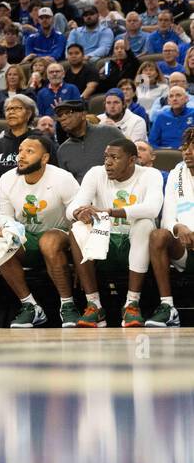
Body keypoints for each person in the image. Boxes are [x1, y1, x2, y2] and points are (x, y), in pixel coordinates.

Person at [66, 138, 163, 328]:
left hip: (135, 242)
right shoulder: (95, 173)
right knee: (76, 228)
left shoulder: (150, 175)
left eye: (114, 157)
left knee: (144, 224)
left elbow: (152, 209)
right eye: (106, 157)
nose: (107, 162)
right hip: (105, 242)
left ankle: (131, 304)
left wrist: (109, 211)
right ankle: (94, 305)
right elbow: (71, 209)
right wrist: (80, 212)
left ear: (131, 160)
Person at [0, 134, 78, 327]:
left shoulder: (63, 178)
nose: (21, 156)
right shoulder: (6, 179)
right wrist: (8, 230)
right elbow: (5, 215)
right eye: (20, 151)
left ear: (45, 158)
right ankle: (30, 306)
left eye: (29, 151)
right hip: (26, 235)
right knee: (1, 245)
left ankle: (68, 305)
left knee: (48, 241)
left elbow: (77, 215)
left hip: (60, 234)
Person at [148, 125, 194, 327]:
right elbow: (167, 219)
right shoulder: (177, 173)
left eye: (193, 147)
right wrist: (179, 228)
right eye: (185, 146)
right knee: (158, 235)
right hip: (184, 247)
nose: (187, 152)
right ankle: (168, 307)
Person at [55, 99, 116, 182]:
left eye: (68, 112)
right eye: (60, 115)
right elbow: (67, 184)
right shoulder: (63, 151)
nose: (63, 118)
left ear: (83, 115)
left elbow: (130, 158)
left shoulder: (109, 132)